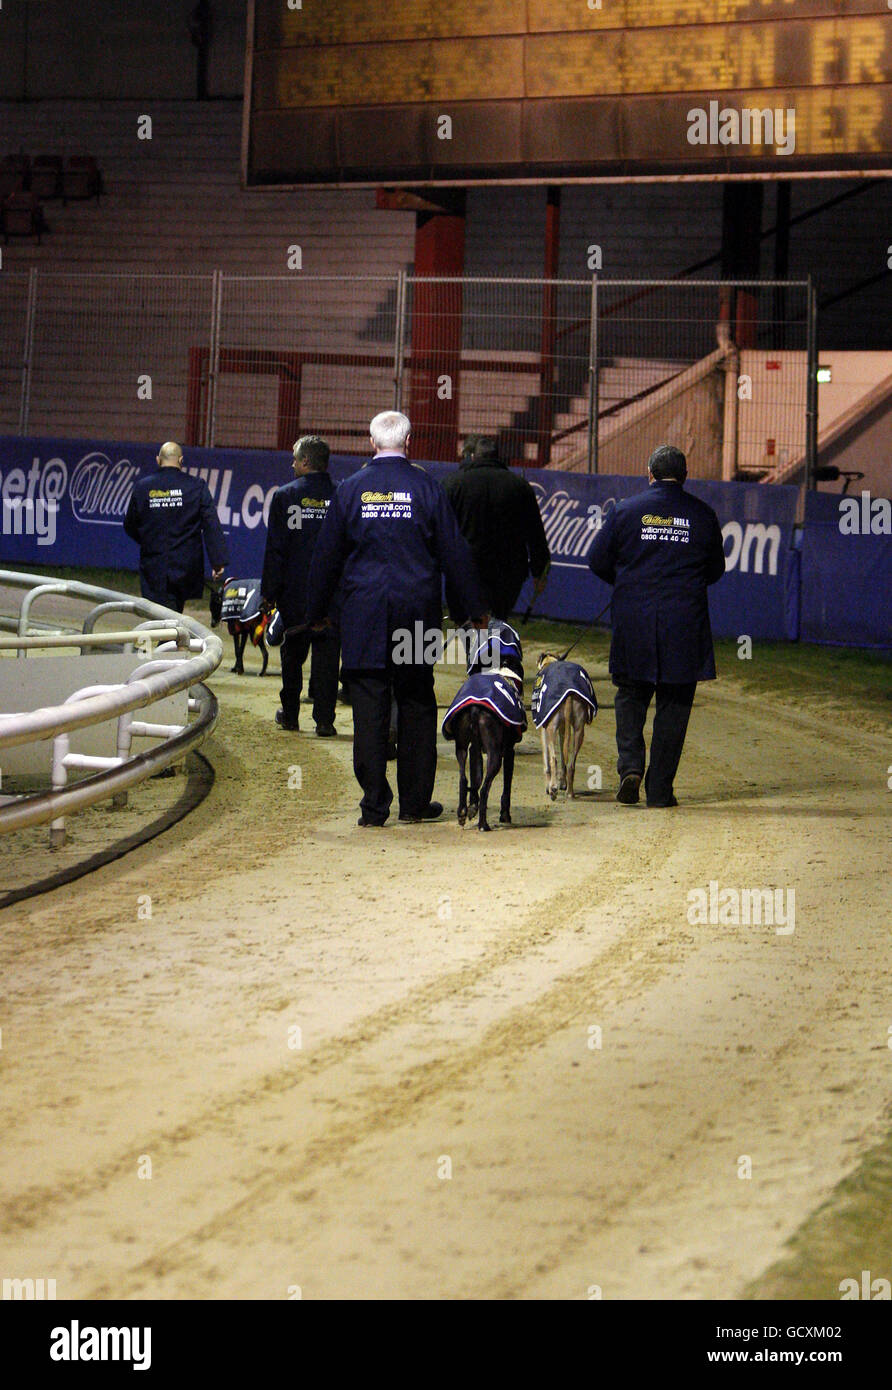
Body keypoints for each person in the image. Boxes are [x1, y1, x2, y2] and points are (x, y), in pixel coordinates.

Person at [304, 410, 488, 827]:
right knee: (417, 702)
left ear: (372, 443)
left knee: (368, 705)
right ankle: (414, 804)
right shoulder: (428, 488)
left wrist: (316, 613)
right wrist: (475, 609)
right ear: (410, 442)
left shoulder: (349, 490)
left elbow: (325, 559)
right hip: (416, 614)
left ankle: (373, 805)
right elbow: (456, 554)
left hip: (363, 613)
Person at [587, 444, 726, 808]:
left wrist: (627, 583)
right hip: (684, 621)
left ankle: (631, 767)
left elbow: (597, 560)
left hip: (635, 617)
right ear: (684, 476)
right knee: (675, 704)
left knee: (631, 694)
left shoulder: (624, 511)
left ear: (649, 473)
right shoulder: (703, 514)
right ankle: (660, 790)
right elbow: (715, 570)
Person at [261, 436, 340, 736]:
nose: (292, 463)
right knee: (328, 656)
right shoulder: (341, 494)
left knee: (292, 654)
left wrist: (269, 593)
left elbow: (276, 550)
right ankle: (324, 720)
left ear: (306, 461)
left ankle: (291, 714)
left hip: (295, 592)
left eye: (295, 458)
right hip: (332, 593)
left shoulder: (285, 495)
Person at [442, 435, 550, 618]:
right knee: (498, 621)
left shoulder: (453, 484)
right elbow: (535, 534)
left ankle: (475, 644)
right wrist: (539, 571)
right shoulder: (520, 486)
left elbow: (441, 529)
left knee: (468, 624)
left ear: (472, 457)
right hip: (508, 572)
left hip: (465, 569)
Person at [123, 440, 227, 612]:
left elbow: (130, 525)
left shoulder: (142, 487)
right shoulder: (196, 486)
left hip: (153, 566)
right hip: (185, 568)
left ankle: (166, 639)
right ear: (181, 460)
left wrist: (150, 541)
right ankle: (167, 639)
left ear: (158, 460)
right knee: (173, 614)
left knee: (159, 616)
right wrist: (218, 561)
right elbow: (210, 524)